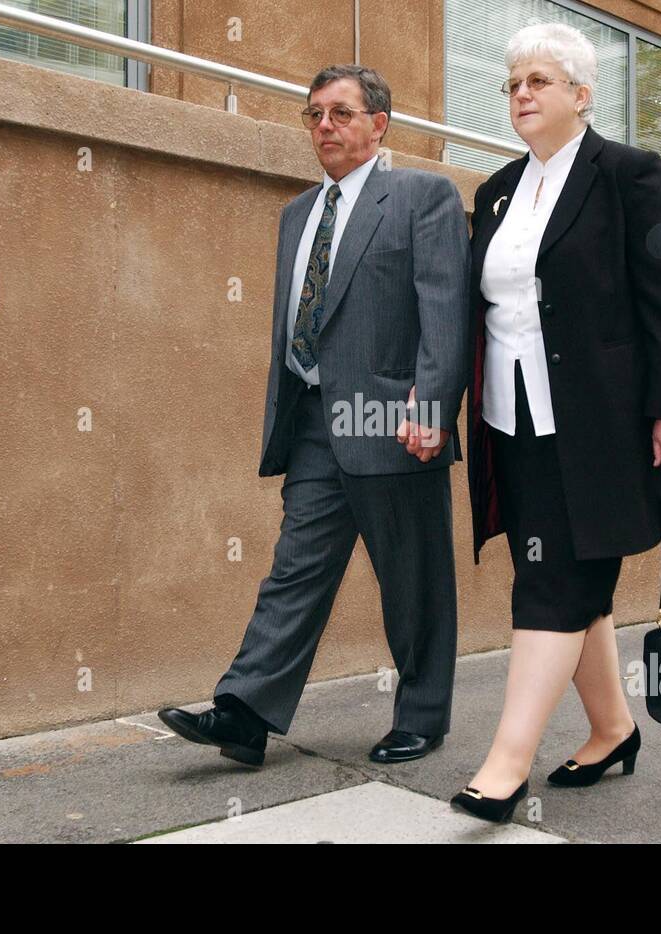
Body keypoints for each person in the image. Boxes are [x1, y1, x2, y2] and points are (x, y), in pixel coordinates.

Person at [159, 64, 471, 768]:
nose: (325, 126)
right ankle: (245, 713)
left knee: (412, 575)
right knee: (294, 572)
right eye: (314, 115)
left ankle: (422, 715)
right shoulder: (297, 214)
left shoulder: (422, 197)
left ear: (378, 125)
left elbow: (446, 312)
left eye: (340, 113)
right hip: (314, 423)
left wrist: (433, 406)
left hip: (392, 420)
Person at [452, 22, 661, 822]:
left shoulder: (628, 175)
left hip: (600, 424)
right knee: (568, 575)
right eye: (513, 84)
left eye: (538, 82)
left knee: (555, 583)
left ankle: (504, 765)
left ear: (581, 94)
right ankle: (612, 727)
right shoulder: (496, 190)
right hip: (511, 421)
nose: (521, 95)